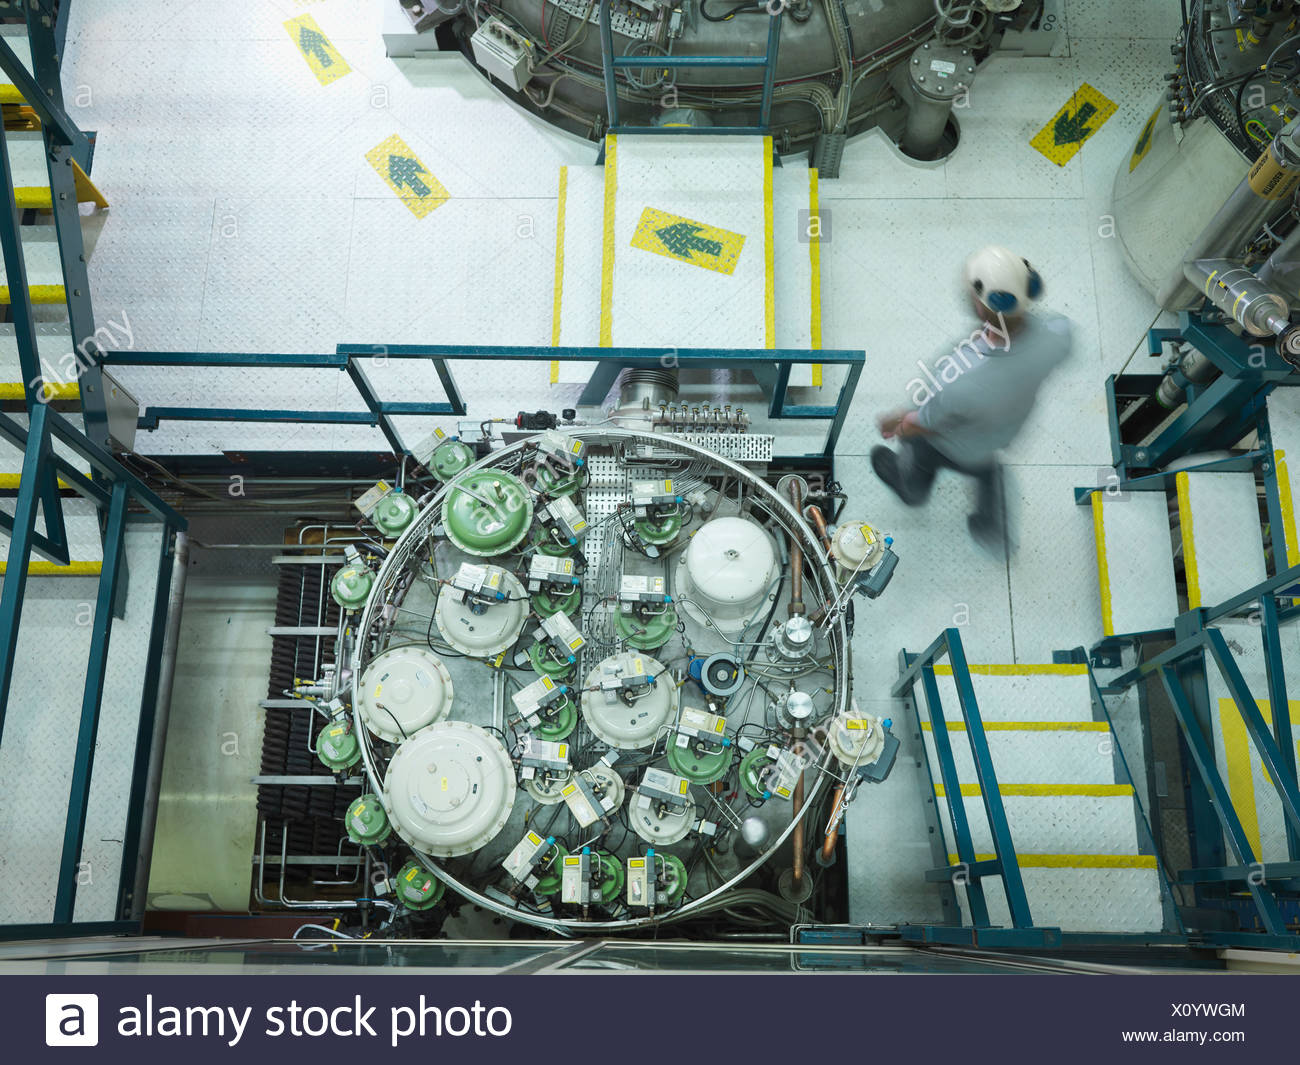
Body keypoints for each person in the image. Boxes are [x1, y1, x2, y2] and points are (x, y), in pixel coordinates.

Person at [871, 245, 1072, 551]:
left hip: (948, 443)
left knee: (918, 463)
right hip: (999, 435)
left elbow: (922, 423)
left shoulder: (959, 376)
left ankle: (909, 489)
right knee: (983, 466)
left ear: (980, 307)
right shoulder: (1058, 333)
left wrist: (896, 424)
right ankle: (991, 520)